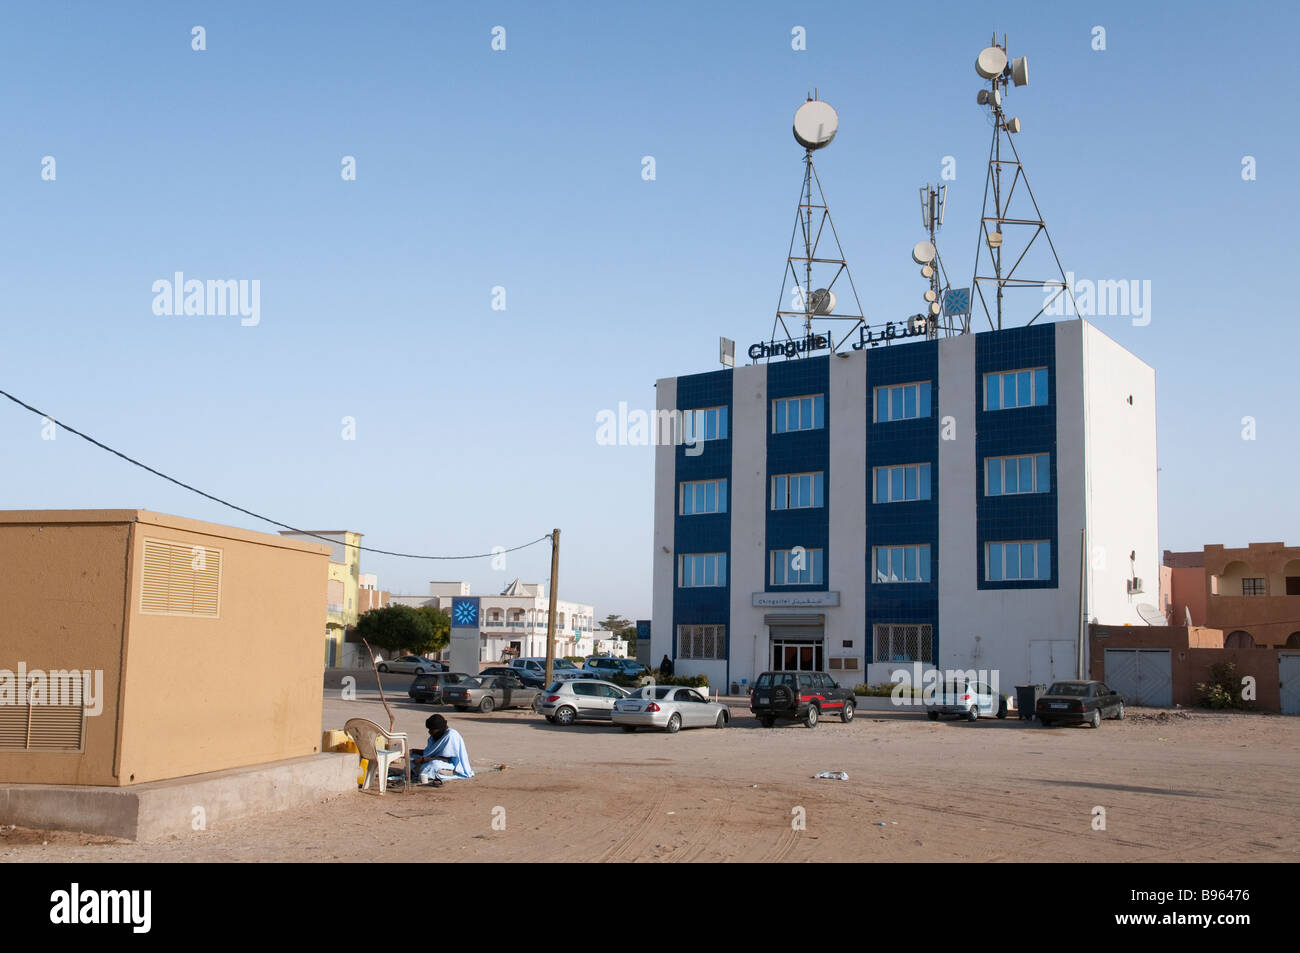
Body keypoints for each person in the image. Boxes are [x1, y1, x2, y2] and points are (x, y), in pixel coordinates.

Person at [409, 714, 474, 785]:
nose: (429, 732)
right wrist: (413, 751)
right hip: (434, 760)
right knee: (412, 759)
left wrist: (424, 760)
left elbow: (447, 759)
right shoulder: (434, 737)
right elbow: (429, 752)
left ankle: (425, 774)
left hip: (451, 764)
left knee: (433, 765)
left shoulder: (451, 735)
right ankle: (414, 773)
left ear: (439, 728)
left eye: (432, 729)